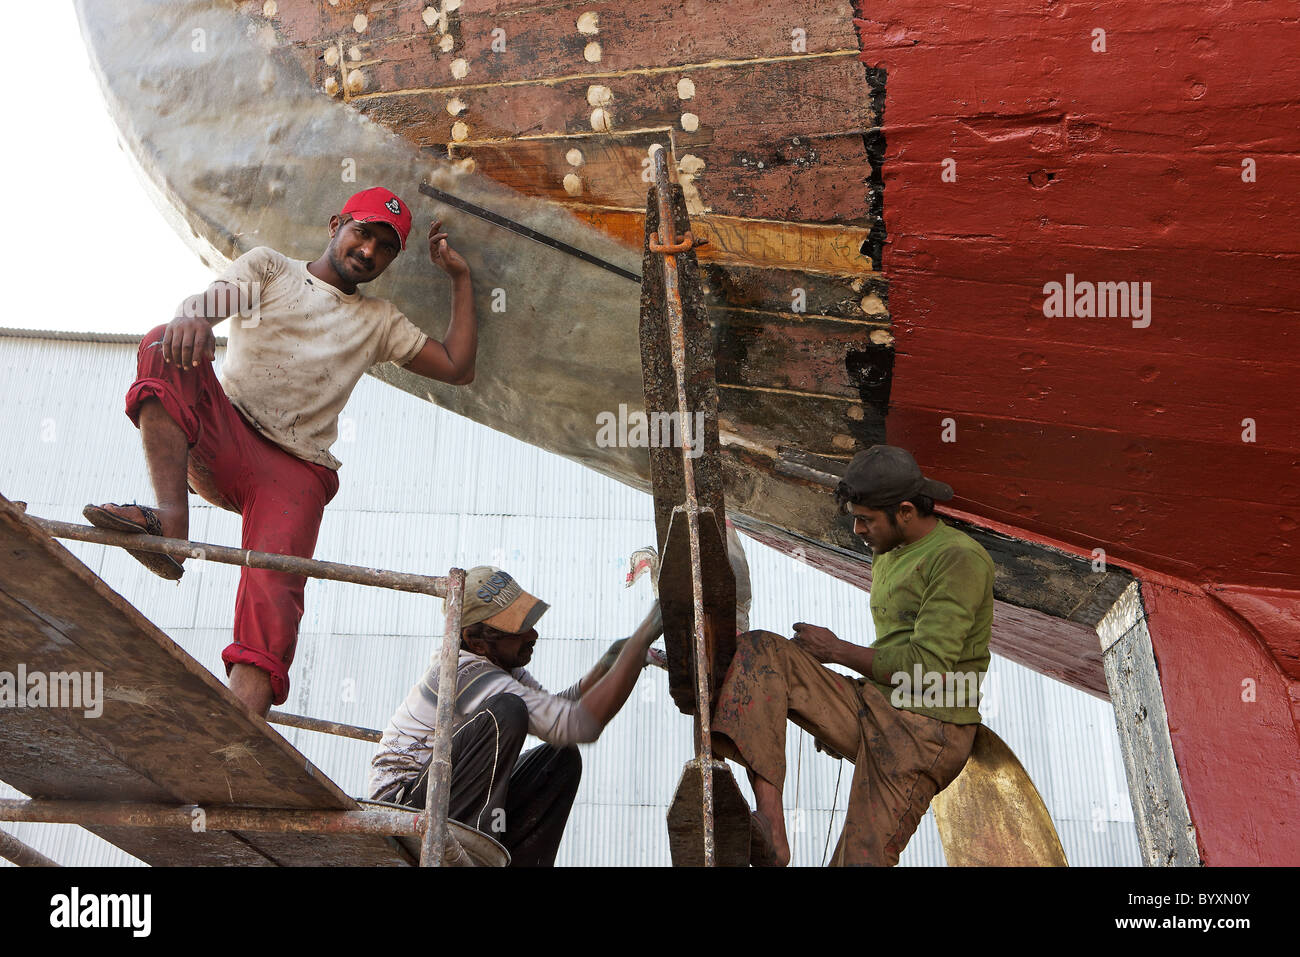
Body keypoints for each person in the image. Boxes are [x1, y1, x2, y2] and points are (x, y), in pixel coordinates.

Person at [85, 187, 478, 714]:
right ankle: (171, 527)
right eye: (363, 232)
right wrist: (193, 316)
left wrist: (460, 277)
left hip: (294, 474)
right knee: (162, 340)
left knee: (272, 601)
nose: (368, 251)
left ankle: (240, 731)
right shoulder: (271, 268)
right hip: (226, 437)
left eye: (385, 247)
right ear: (336, 222)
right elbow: (211, 305)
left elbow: (457, 365)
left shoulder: (380, 320)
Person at [711, 445, 994, 866]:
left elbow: (928, 669)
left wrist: (836, 650)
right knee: (763, 651)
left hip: (925, 733)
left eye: (866, 519)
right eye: (855, 517)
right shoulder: (890, 550)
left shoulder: (957, 559)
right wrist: (836, 713)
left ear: (904, 511)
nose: (858, 529)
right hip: (876, 704)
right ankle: (770, 826)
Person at [368, 566, 662, 867]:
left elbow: (555, 711)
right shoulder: (467, 674)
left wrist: (608, 664)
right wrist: (640, 641)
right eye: (517, 629)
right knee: (507, 711)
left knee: (559, 758)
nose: (533, 634)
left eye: (528, 622)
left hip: (442, 797)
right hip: (403, 810)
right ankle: (479, 853)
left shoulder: (500, 666)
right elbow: (580, 724)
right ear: (477, 641)